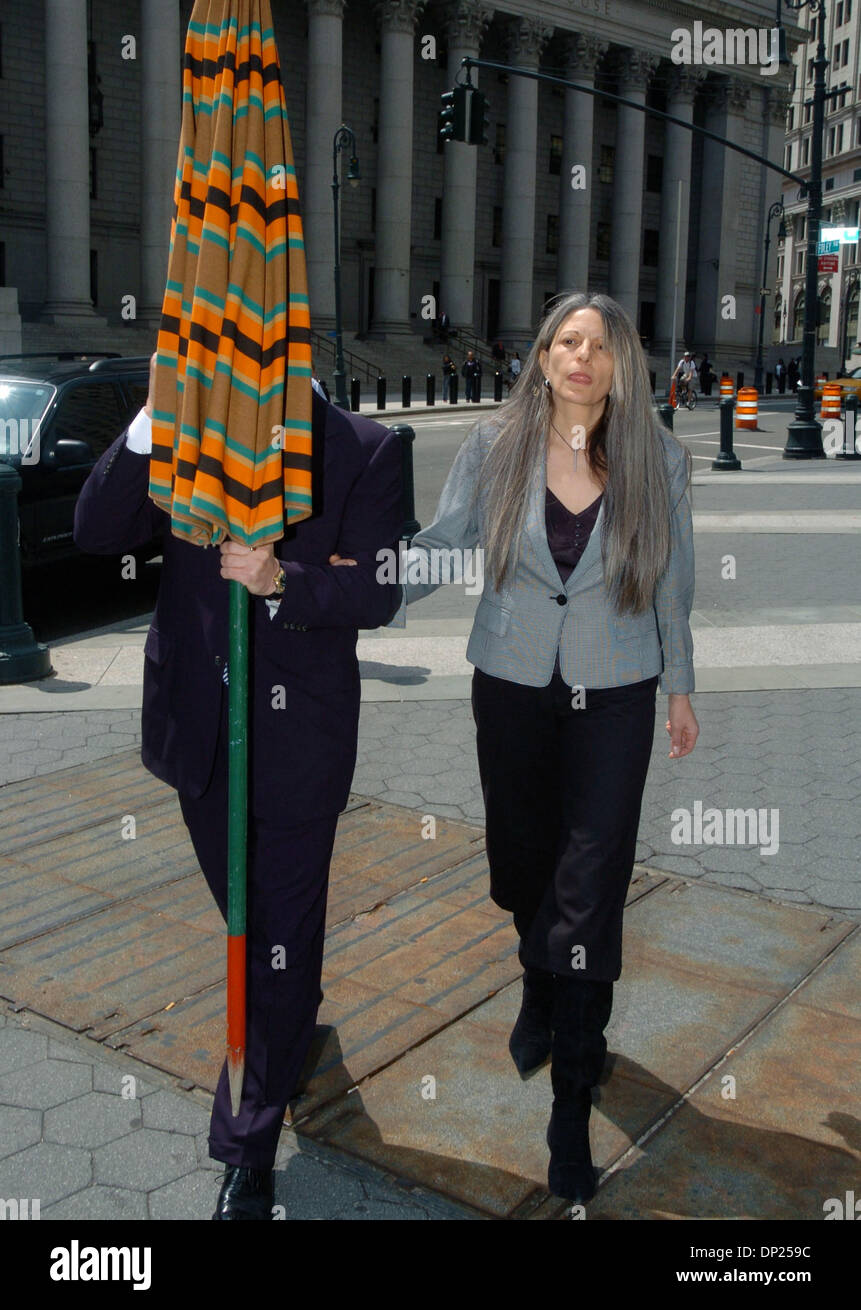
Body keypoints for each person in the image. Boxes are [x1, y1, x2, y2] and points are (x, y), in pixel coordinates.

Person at [74, 353, 403, 1219]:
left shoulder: (363, 447)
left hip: (300, 746)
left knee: (270, 939)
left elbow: (379, 589)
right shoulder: (191, 436)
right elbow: (97, 530)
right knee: (252, 925)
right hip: (197, 735)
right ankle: (292, 1020)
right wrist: (151, 418)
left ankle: (246, 1148)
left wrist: (282, 579)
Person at [389, 291, 698, 1204]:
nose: (580, 357)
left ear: (621, 364)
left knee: (591, 881)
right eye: (566, 341)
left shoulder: (661, 456)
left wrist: (678, 688)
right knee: (524, 866)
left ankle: (571, 1098)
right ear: (542, 355)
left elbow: (674, 584)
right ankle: (535, 968)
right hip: (513, 683)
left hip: (617, 688)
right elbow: (443, 545)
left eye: (598, 346)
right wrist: (350, 583)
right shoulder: (496, 446)